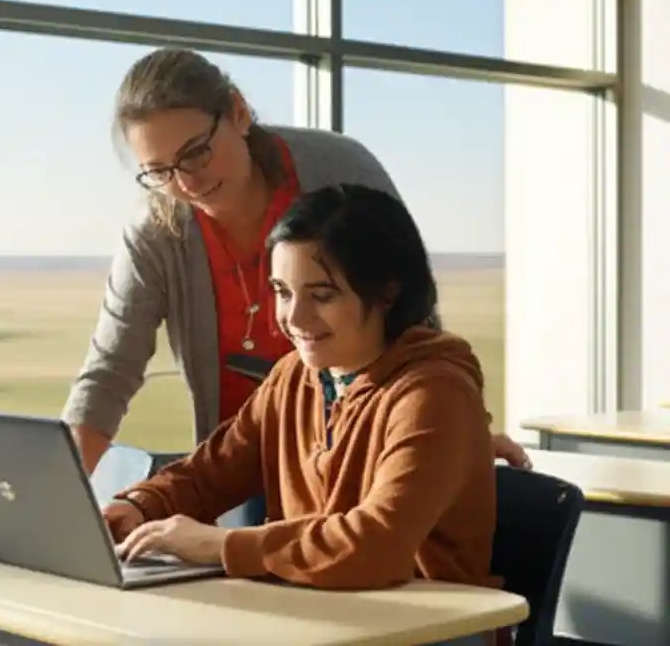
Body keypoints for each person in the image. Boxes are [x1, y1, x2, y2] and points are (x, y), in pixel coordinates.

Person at [61, 46, 528, 475]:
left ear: (238, 112)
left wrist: (453, 429)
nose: (187, 183)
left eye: (196, 153)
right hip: (239, 467)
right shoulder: (156, 231)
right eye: (159, 171)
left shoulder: (339, 170)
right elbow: (109, 372)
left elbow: (413, 315)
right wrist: (58, 493)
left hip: (362, 460)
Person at [105, 183, 498, 594]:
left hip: (427, 630)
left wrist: (220, 545)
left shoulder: (435, 394)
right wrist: (138, 506)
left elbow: (376, 546)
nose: (294, 318)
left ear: (388, 291)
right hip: (316, 614)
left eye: (322, 295)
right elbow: (210, 475)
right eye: (282, 292)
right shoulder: (293, 376)